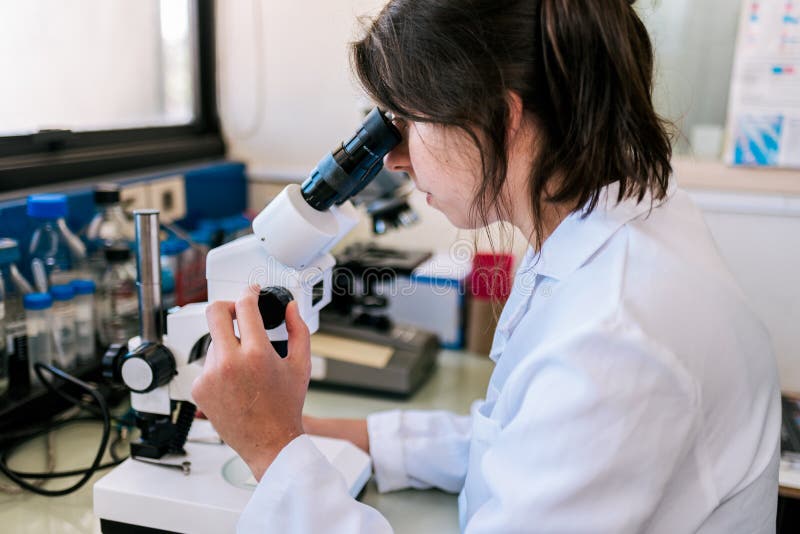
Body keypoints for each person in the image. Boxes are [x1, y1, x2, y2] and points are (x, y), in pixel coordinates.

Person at [192, 0, 781, 532]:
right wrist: (320, 432)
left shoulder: (615, 338)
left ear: (504, 120)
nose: (392, 159)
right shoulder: (615, 223)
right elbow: (518, 438)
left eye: (409, 122)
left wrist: (273, 449)